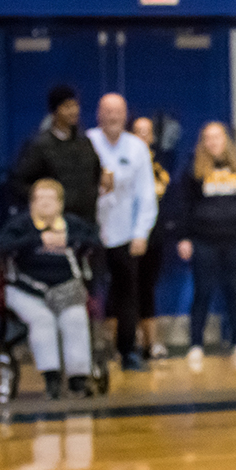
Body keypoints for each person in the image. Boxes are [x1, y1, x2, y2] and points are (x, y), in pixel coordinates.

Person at [0, 178, 101, 399]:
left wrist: (68, 240)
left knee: (75, 319)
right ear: (32, 202)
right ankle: (51, 378)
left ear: (60, 203)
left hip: (66, 288)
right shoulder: (21, 225)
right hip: (27, 290)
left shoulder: (72, 224)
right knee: (43, 320)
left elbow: (96, 240)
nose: (45, 203)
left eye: (50, 198)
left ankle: (78, 379)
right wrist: (37, 239)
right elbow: (1, 246)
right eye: (39, 198)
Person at [176, 122, 236, 374]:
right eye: (208, 138)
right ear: (203, 142)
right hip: (204, 241)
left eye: (217, 137)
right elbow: (184, 206)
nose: (213, 142)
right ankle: (195, 344)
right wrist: (184, 237)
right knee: (202, 291)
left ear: (226, 140)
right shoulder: (193, 170)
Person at [87, 93, 158, 371]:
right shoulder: (88, 142)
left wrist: (142, 232)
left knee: (128, 295)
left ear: (125, 114)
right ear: (98, 114)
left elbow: (146, 194)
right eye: (107, 111)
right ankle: (92, 352)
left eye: (118, 111)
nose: (113, 116)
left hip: (126, 235)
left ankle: (128, 351)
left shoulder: (136, 148)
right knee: (90, 295)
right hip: (92, 234)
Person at [12, 85, 106, 224]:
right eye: (67, 106)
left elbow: (96, 174)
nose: (73, 111)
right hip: (55, 224)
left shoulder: (84, 142)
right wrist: (45, 200)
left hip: (86, 222)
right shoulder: (39, 145)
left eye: (75, 105)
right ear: (55, 111)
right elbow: (19, 183)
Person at [132, 117, 171, 359]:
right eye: (138, 132)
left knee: (147, 288)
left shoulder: (160, 164)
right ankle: (123, 343)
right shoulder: (122, 162)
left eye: (147, 132)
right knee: (123, 290)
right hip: (125, 233)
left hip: (153, 234)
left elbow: (165, 193)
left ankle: (150, 342)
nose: (143, 137)